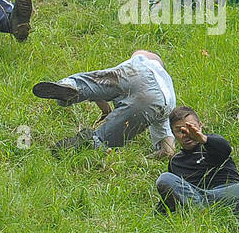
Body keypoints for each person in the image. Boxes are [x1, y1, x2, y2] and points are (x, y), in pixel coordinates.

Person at [155, 106, 239, 223]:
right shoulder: (175, 162)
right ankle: (203, 216)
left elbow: (225, 149)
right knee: (165, 178)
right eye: (180, 131)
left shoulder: (212, 143)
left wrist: (203, 139)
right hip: (200, 200)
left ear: (200, 126)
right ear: (173, 133)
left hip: (230, 194)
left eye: (191, 128)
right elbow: (170, 194)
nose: (187, 134)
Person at [32, 49, 176, 157]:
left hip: (136, 72)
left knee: (90, 84)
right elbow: (169, 150)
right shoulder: (169, 95)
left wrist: (106, 109)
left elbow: (100, 91)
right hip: (158, 101)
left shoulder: (141, 61)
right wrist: (146, 157)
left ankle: (70, 86)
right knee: (106, 138)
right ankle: (89, 142)